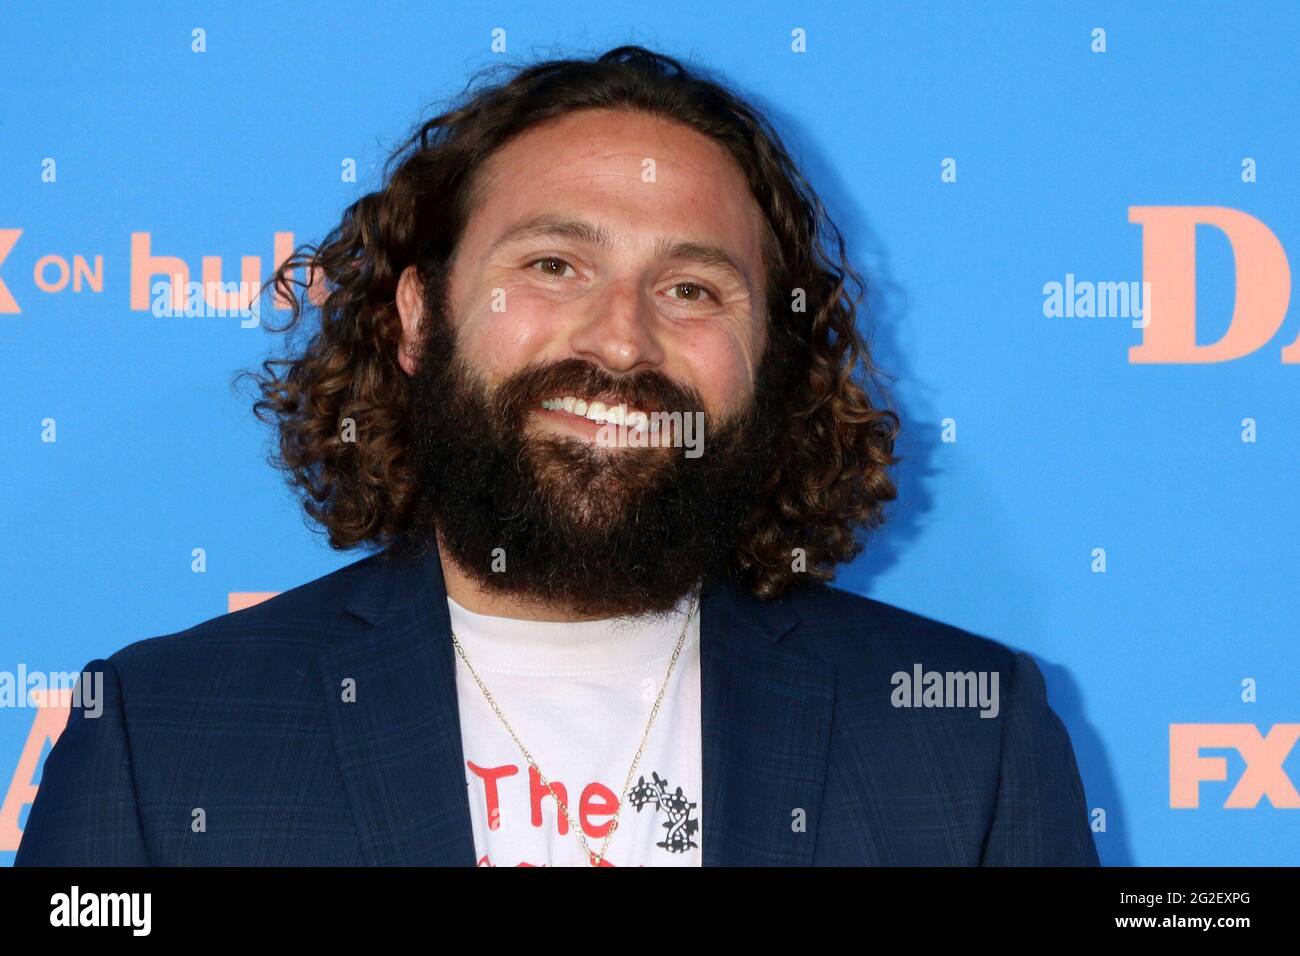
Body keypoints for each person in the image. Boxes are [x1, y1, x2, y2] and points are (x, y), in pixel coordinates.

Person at [16, 45, 1099, 867]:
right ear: (418, 316)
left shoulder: (967, 740)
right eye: (552, 265)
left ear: (772, 359)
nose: (621, 341)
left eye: (691, 288)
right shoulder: (162, 736)